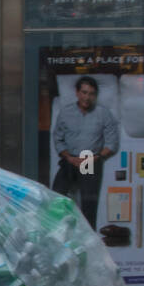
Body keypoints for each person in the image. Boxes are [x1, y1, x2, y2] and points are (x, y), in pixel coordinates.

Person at [52, 75, 118, 228]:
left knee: (89, 202)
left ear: (95, 96)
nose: (87, 97)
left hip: (90, 160)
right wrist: (68, 157)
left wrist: (97, 157)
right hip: (70, 159)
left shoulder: (103, 113)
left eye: (91, 94)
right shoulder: (66, 112)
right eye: (84, 92)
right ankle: (59, 230)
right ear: (77, 93)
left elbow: (112, 142)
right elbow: (58, 138)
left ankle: (89, 236)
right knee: (57, 195)